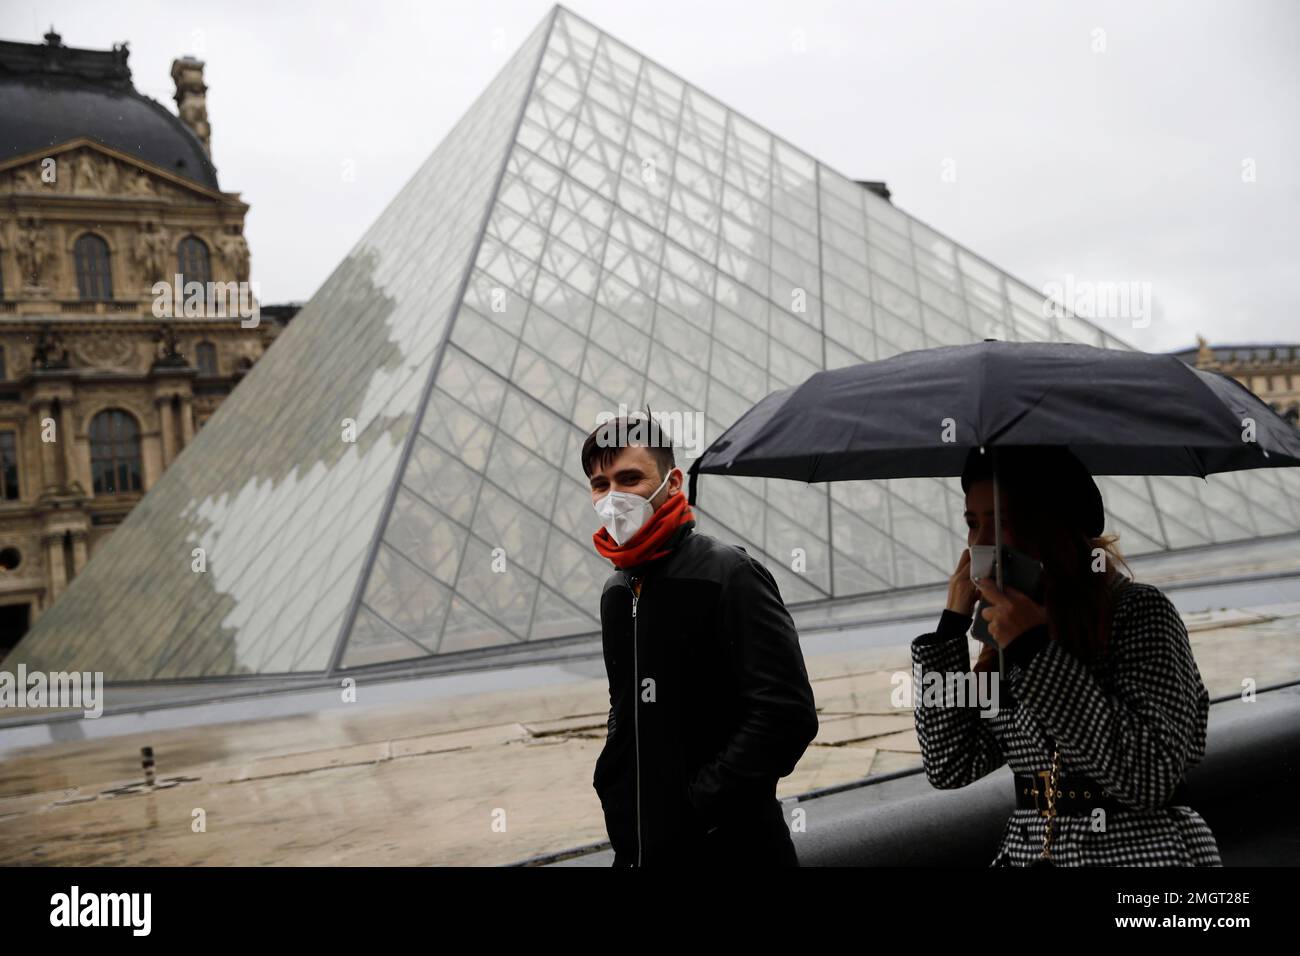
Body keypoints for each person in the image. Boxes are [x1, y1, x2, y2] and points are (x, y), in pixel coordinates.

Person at [911, 446, 1222, 866]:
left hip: (1142, 852)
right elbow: (949, 763)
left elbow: (1150, 776)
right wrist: (950, 627)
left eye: (1001, 522)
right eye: (971, 523)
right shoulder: (1000, 635)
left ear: (1051, 527)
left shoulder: (1140, 612)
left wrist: (1035, 650)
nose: (981, 542)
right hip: (1033, 851)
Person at [584, 414, 819, 866]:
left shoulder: (729, 574)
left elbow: (786, 714)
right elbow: (624, 709)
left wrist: (702, 802)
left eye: (630, 478)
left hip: (733, 849)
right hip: (640, 850)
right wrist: (615, 787)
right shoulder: (617, 591)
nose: (613, 497)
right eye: (600, 484)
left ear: (673, 483)